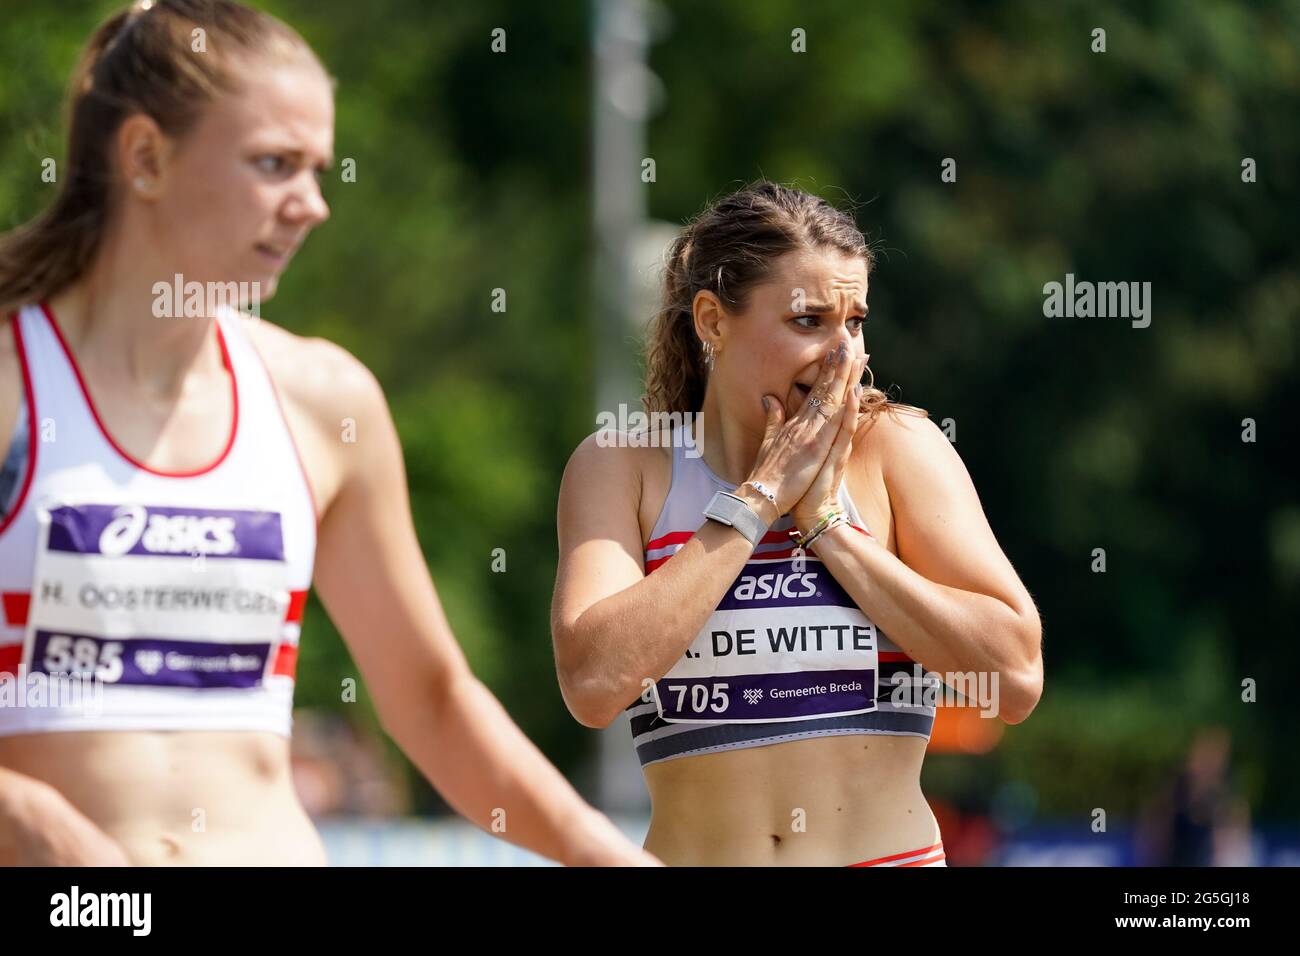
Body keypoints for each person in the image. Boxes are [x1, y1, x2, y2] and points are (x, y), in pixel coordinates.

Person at [0, 0, 657, 867]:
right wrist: (44, 831)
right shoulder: (16, 375)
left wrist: (618, 861)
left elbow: (431, 700)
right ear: (146, 157)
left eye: (318, 169)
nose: (312, 205)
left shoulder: (324, 399)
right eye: (274, 164)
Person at [551, 181, 1043, 866]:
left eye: (856, 322)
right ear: (713, 321)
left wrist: (831, 529)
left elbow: (1015, 676)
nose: (844, 353)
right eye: (808, 322)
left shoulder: (898, 447)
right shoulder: (625, 463)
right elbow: (594, 684)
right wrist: (755, 503)